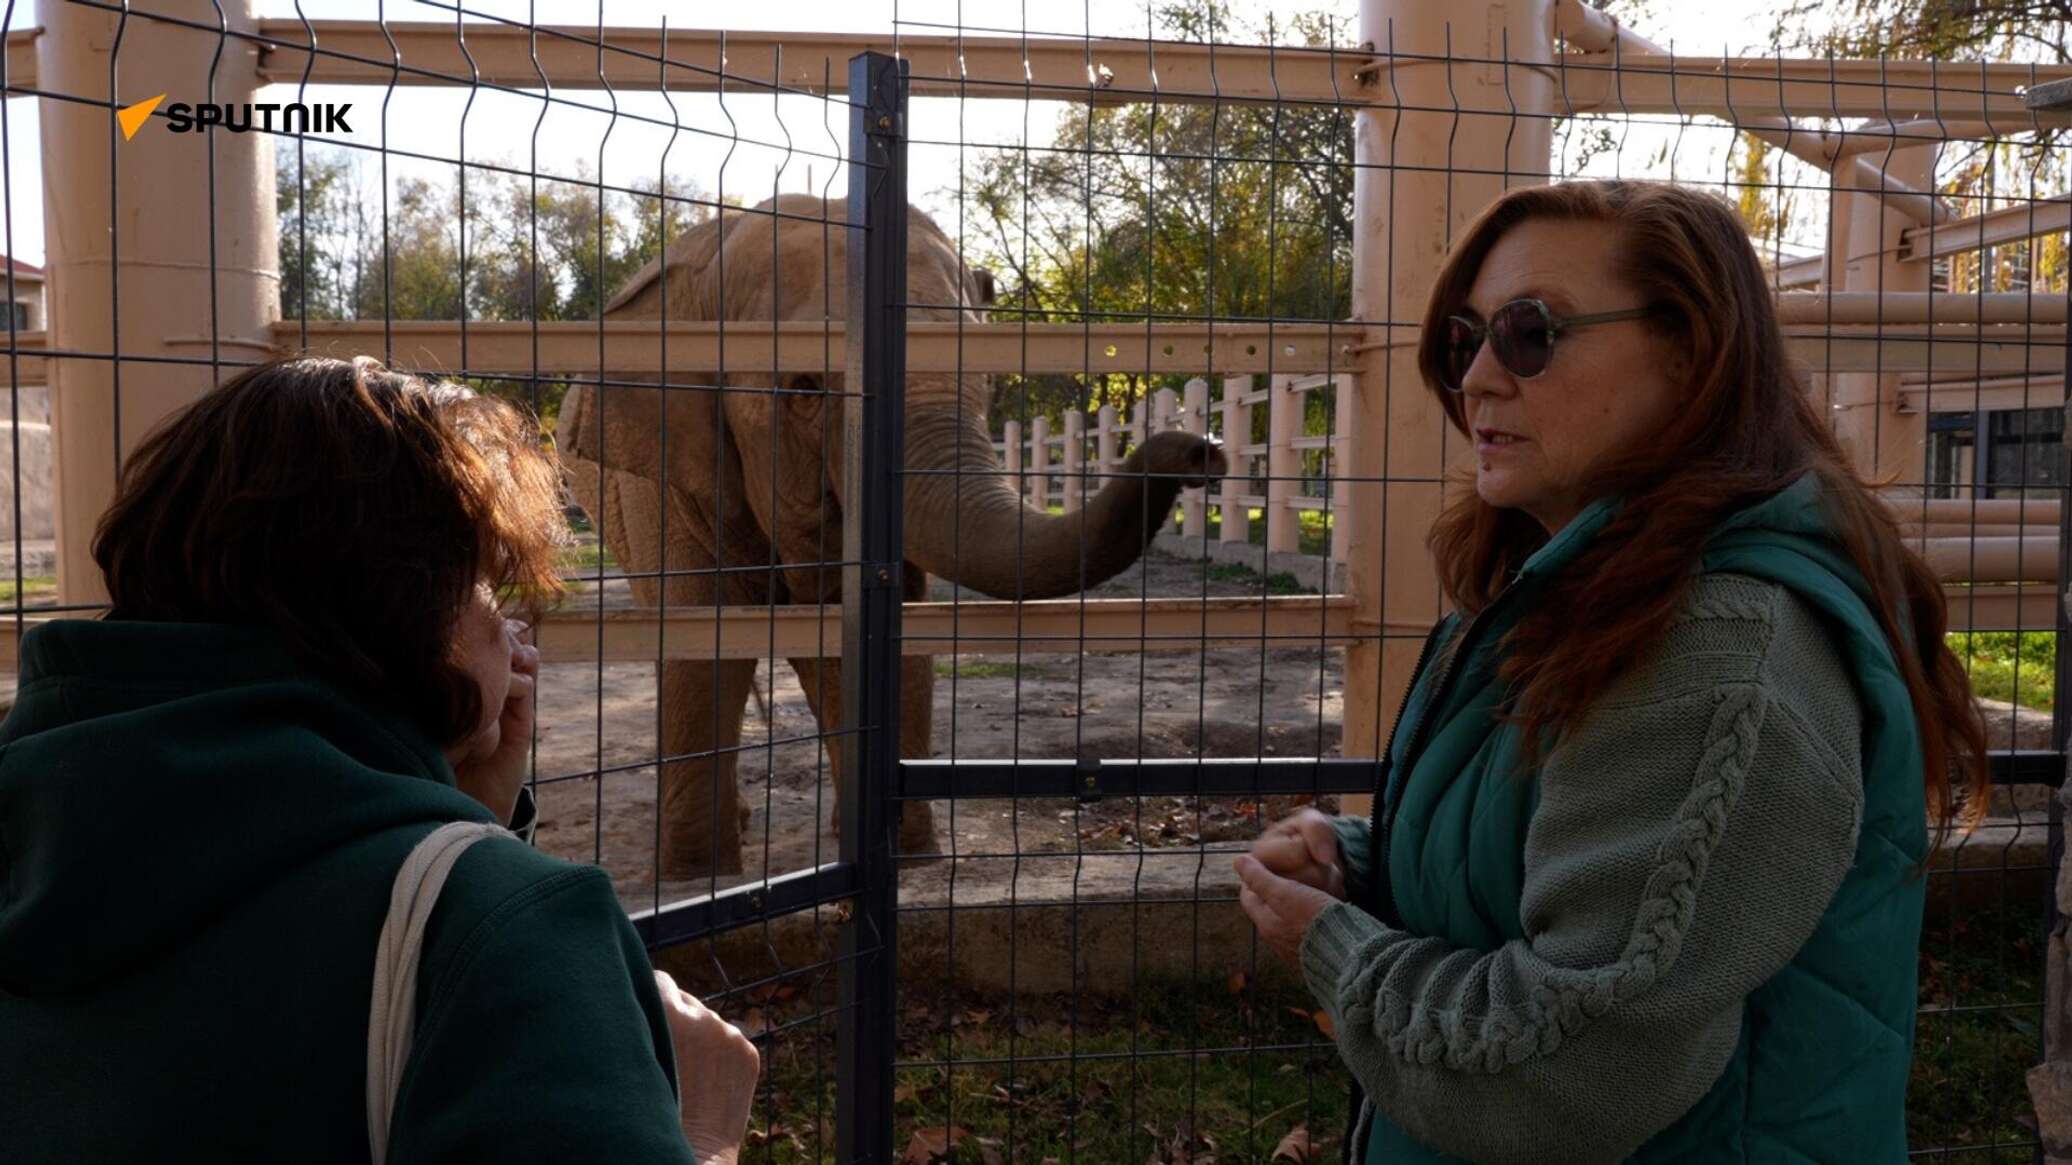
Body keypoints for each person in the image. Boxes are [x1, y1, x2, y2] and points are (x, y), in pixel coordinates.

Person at [1237, 180, 1986, 1164]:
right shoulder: (1577, 587)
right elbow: (1578, 865)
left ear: (1689, 353)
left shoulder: (1717, 651)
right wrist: (1365, 865)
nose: (1476, 381)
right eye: (1465, 340)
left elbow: (1563, 1072)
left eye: (1530, 333)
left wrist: (1334, 950)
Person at [0, 356, 762, 1163]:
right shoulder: (505, 931)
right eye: (491, 586)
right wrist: (703, 1133)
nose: (517, 636)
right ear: (410, 604)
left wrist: (459, 820)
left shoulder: (31, 844)